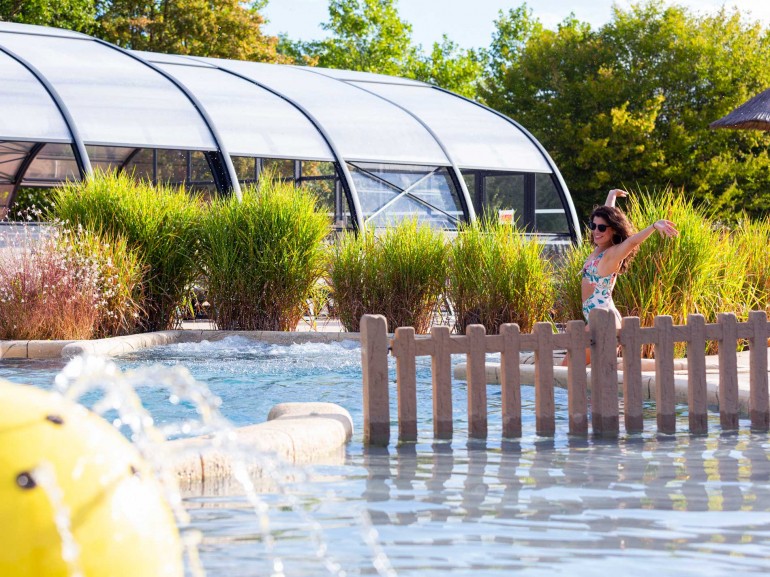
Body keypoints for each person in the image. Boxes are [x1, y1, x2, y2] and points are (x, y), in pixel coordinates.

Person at [568, 188, 678, 365]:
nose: (596, 231)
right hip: (599, 319)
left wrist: (653, 226)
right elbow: (606, 217)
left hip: (604, 322)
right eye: (593, 226)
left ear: (613, 230)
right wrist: (611, 195)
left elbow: (632, 242)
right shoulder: (600, 249)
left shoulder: (611, 255)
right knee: (584, 374)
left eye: (601, 228)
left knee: (567, 371)